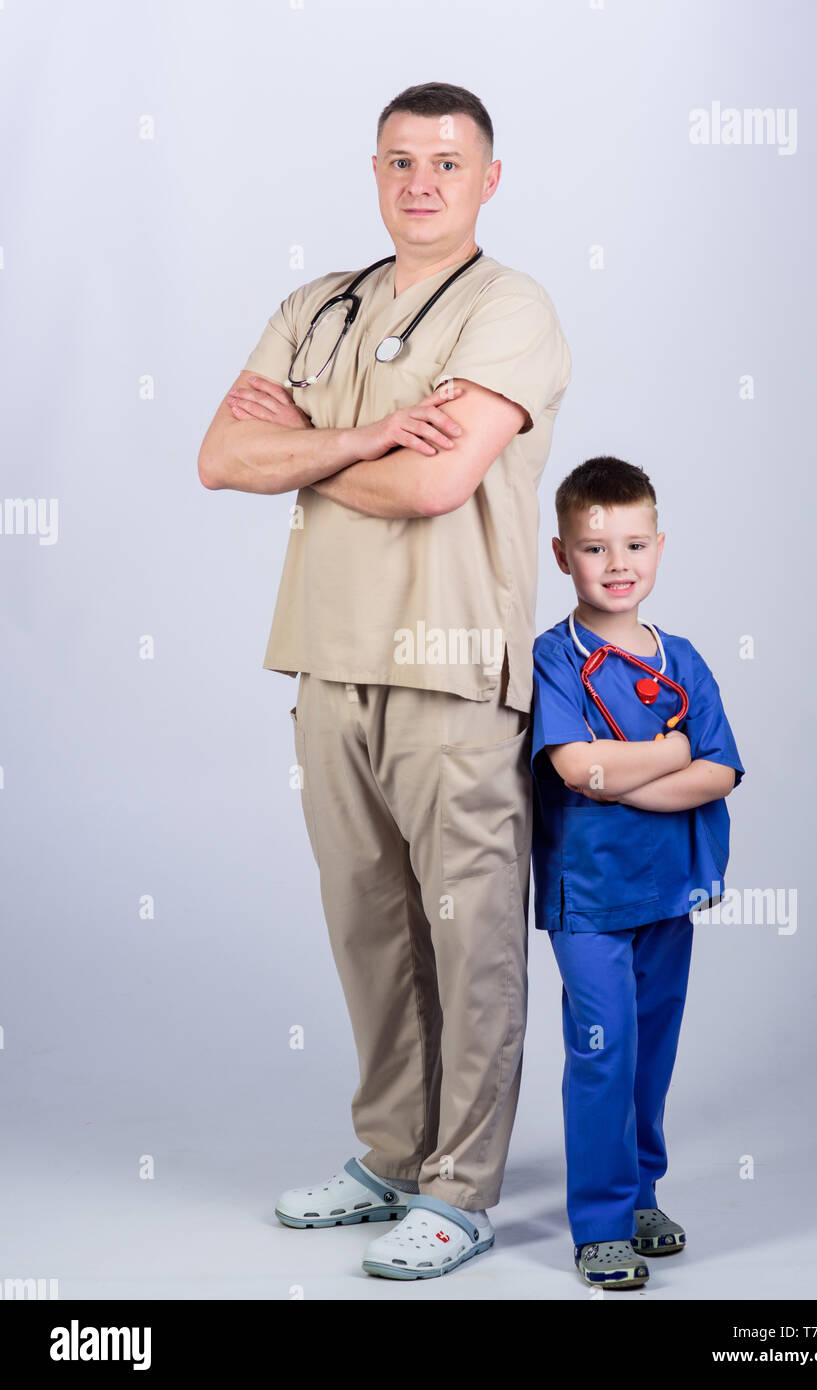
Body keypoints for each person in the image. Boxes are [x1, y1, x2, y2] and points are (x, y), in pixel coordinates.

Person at [197, 82, 571, 1280]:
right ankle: (390, 1155)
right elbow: (219, 456)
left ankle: (460, 1189)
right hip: (327, 656)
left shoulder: (511, 308)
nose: (422, 181)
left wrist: (301, 450)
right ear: (374, 172)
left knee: (470, 941)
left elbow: (434, 487)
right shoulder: (320, 305)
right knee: (369, 929)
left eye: (447, 163)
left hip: (453, 663)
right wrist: (362, 437)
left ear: (488, 179)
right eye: (400, 160)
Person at [529, 455, 745, 1288]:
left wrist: (634, 772)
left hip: (668, 889)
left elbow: (718, 772)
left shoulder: (681, 658)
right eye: (593, 549)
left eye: (633, 544)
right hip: (587, 895)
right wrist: (667, 751)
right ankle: (599, 1224)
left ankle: (641, 1193)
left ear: (659, 547)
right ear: (560, 555)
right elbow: (573, 769)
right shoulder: (556, 658)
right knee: (601, 1047)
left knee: (650, 1048)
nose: (616, 565)